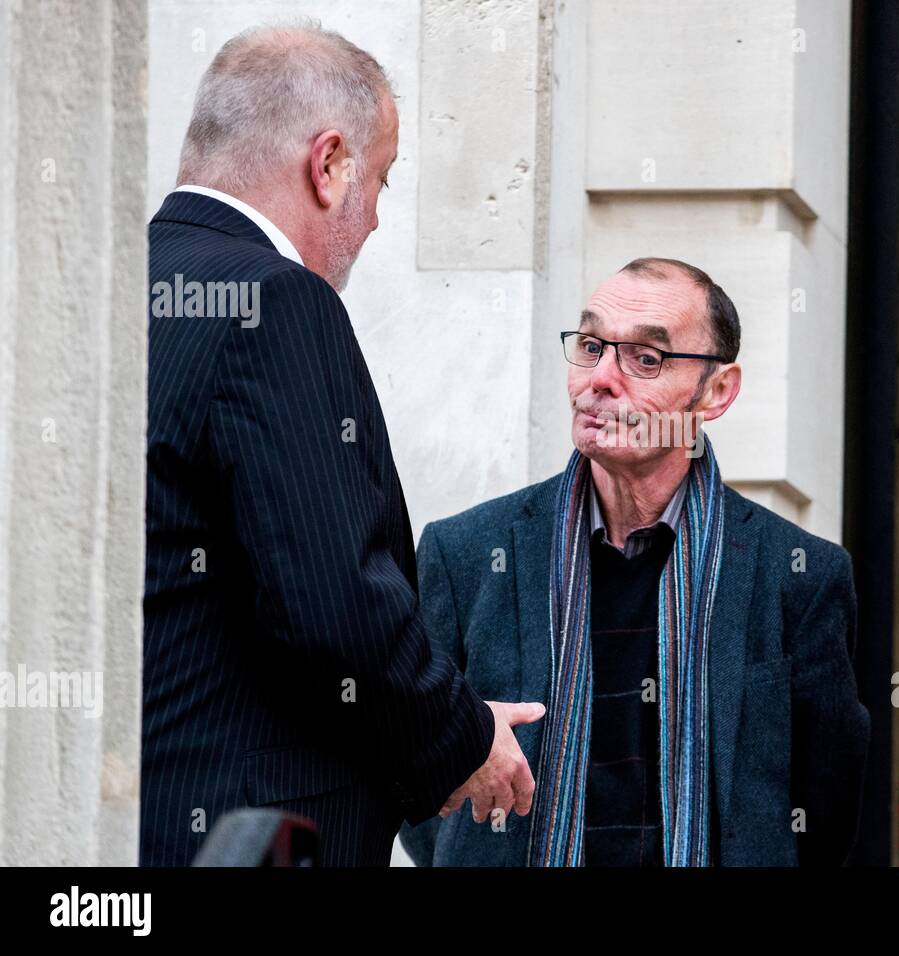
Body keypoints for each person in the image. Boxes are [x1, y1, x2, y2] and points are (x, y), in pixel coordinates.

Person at [142, 23, 541, 866]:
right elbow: (332, 604)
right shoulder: (277, 302)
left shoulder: (118, 285)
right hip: (245, 835)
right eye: (381, 182)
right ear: (327, 165)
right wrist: (465, 736)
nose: (375, 223)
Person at [399, 257, 871, 866]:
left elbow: (824, 812)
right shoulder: (466, 554)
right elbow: (419, 782)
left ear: (717, 391)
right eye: (592, 346)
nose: (601, 378)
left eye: (646, 359)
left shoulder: (797, 575)